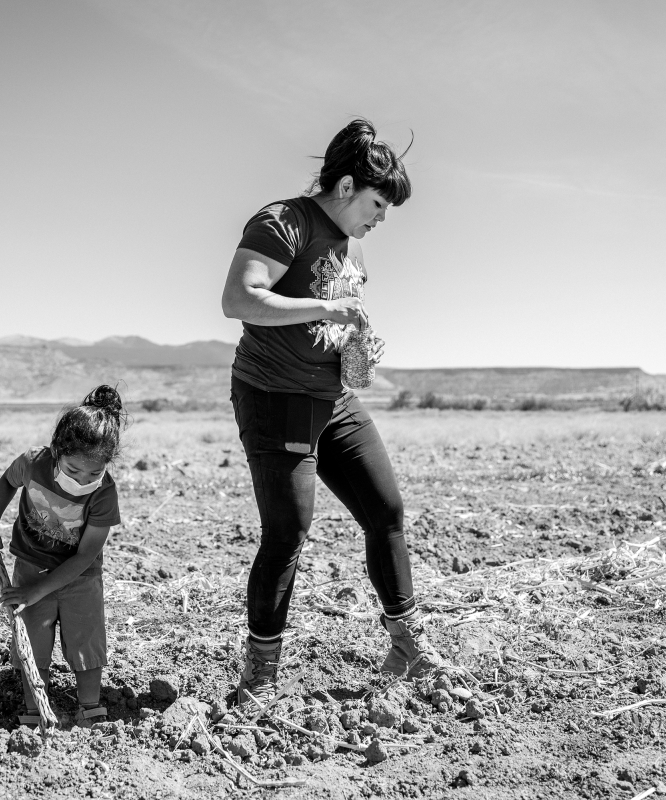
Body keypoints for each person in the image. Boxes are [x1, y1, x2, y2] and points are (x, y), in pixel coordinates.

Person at [220, 118, 444, 708]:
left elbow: (334, 321)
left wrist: (356, 347)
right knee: (288, 531)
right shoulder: (283, 221)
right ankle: (260, 673)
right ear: (345, 187)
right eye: (377, 204)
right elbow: (239, 298)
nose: (381, 219)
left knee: (385, 510)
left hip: (334, 399)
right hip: (275, 396)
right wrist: (326, 307)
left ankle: (407, 645)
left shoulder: (354, 246)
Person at [0, 385, 126, 727]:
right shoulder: (34, 463)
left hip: (80, 577)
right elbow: (8, 481)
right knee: (32, 639)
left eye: (94, 473)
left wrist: (36, 592)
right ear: (57, 452)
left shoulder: (104, 495)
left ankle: (89, 707)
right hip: (31, 566)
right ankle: (34, 710)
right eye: (73, 471)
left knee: (86, 639)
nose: (83, 481)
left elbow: (85, 555)